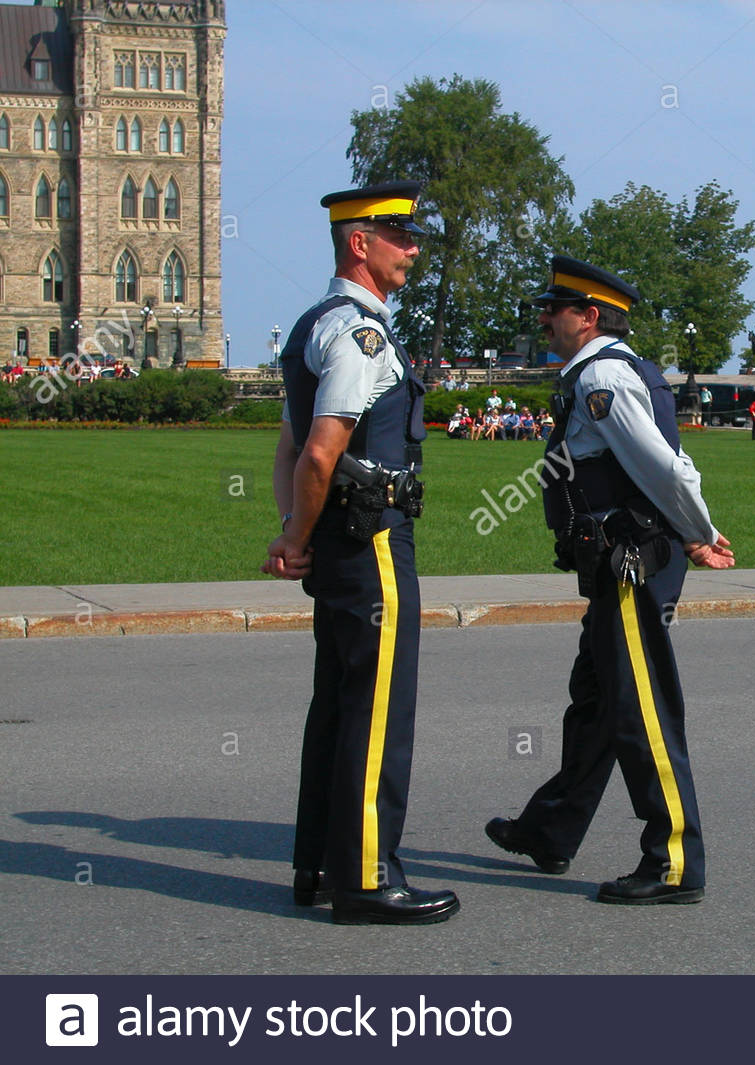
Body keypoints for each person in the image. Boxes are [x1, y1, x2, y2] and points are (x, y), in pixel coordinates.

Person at [485, 255, 734, 904]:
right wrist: (692, 531)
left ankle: (674, 861)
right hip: (618, 561)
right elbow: (670, 462)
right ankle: (551, 828)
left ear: (588, 317)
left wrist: (700, 533)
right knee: (597, 699)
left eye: (554, 309)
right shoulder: (612, 373)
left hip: (628, 560)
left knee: (640, 710)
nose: (544, 318)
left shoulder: (603, 377)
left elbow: (665, 469)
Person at [262, 181, 458, 926]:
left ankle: (317, 862)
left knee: (337, 707)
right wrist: (294, 534)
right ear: (359, 243)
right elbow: (317, 453)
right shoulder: (362, 334)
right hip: (374, 541)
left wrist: (294, 529)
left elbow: (287, 450)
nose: (412, 248)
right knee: (378, 711)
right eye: (399, 235)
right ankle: (369, 876)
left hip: (339, 545)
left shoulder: (315, 326)